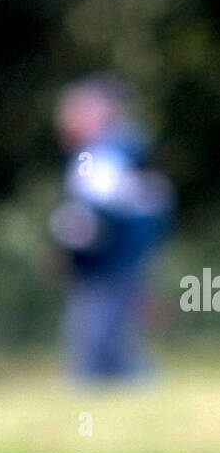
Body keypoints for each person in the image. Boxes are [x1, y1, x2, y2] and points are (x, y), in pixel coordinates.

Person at [50, 76, 174, 381]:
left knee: (99, 347)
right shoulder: (123, 149)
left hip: (108, 268)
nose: (63, 122)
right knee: (110, 344)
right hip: (119, 265)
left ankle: (130, 389)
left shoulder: (104, 153)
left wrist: (66, 241)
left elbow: (94, 214)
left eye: (71, 112)